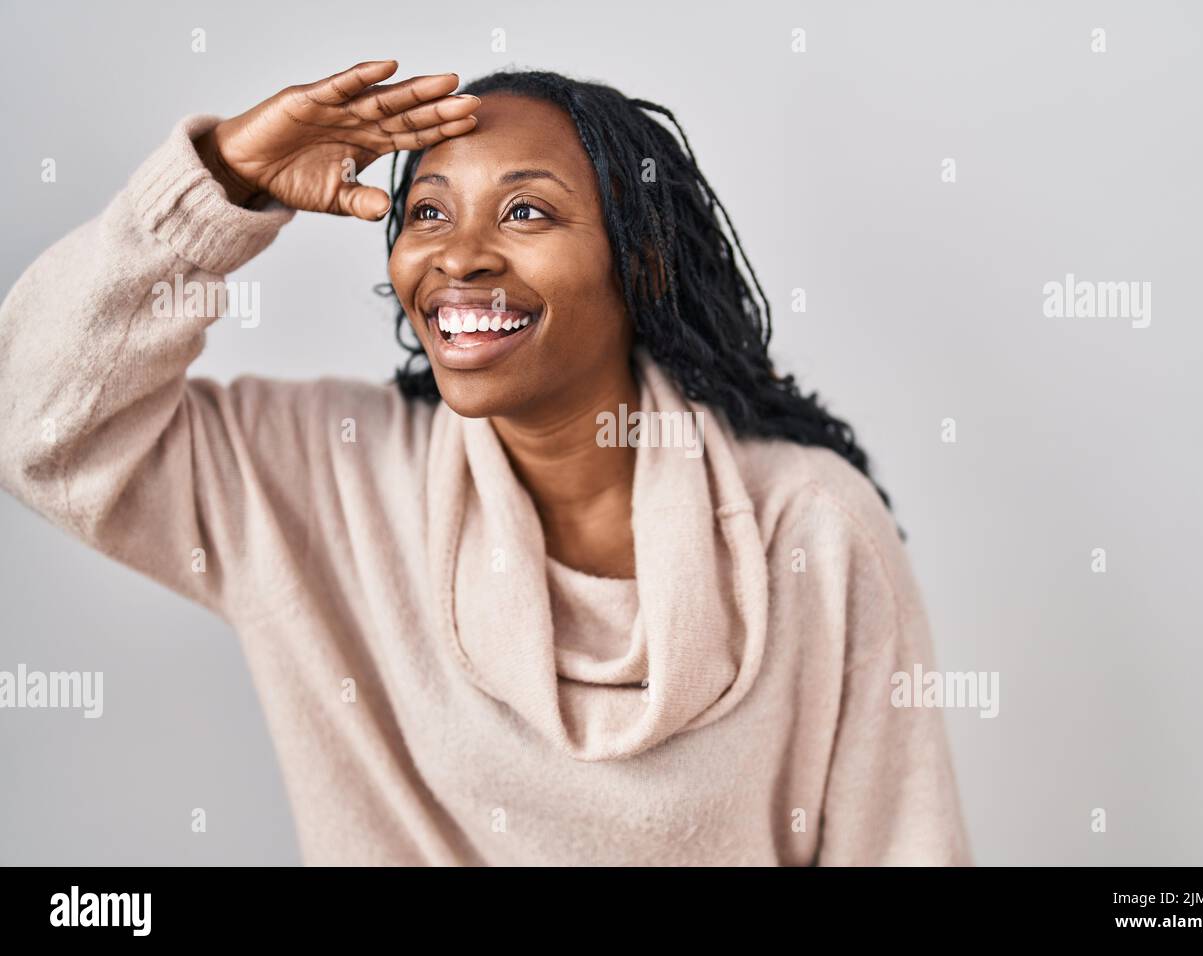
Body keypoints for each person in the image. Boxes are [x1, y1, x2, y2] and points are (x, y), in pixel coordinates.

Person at [0, 59, 973, 865]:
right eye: (427, 213)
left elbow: (904, 845)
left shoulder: (805, 528)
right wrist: (219, 185)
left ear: (639, 261)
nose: (458, 257)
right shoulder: (323, 479)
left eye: (525, 214)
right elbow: (37, 424)